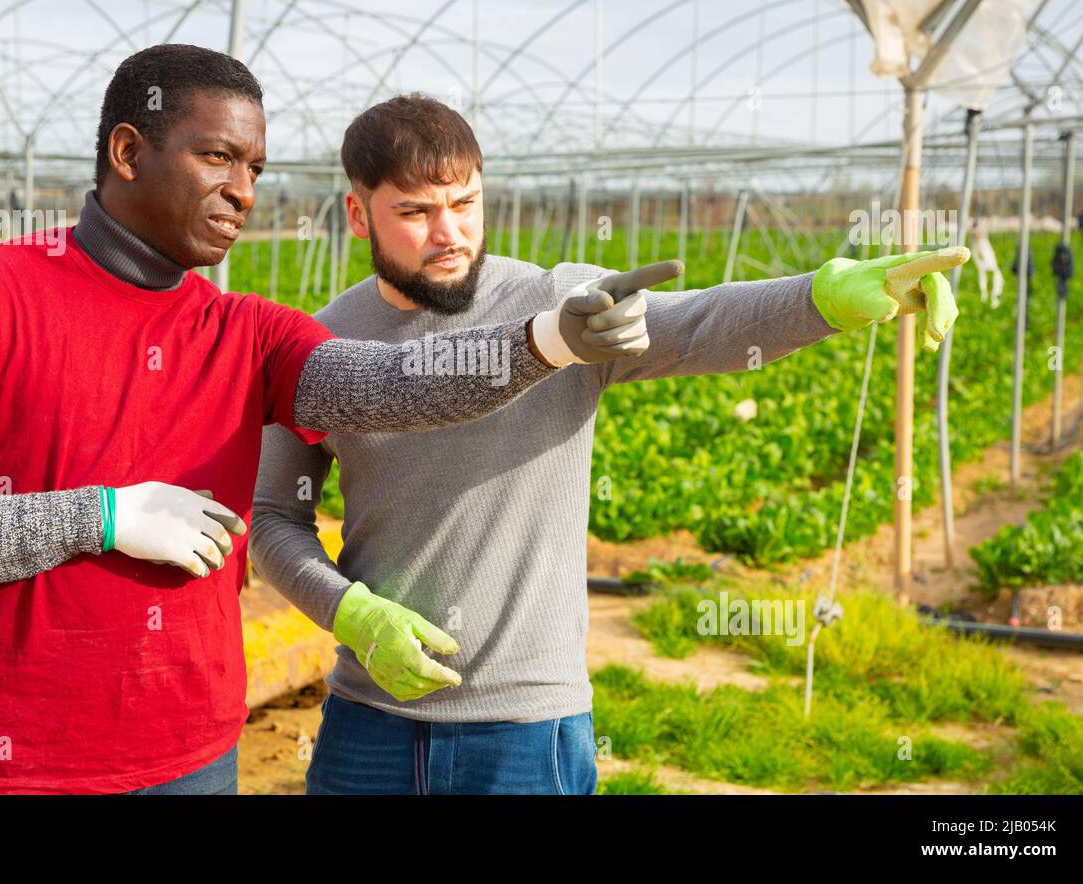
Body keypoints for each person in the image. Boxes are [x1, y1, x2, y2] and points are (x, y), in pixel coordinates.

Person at [0, 46, 668, 795]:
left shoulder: (245, 331)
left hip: (195, 758)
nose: (243, 191)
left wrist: (546, 338)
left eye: (255, 169)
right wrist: (102, 516)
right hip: (13, 766)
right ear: (127, 150)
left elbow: (396, 382)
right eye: (217, 157)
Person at [249, 92, 970, 795]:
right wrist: (351, 614)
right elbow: (277, 518)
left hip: (528, 724)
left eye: (465, 203)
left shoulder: (564, 308)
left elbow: (699, 324)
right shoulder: (320, 347)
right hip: (368, 724)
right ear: (356, 214)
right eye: (415, 212)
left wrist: (826, 297)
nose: (450, 235)